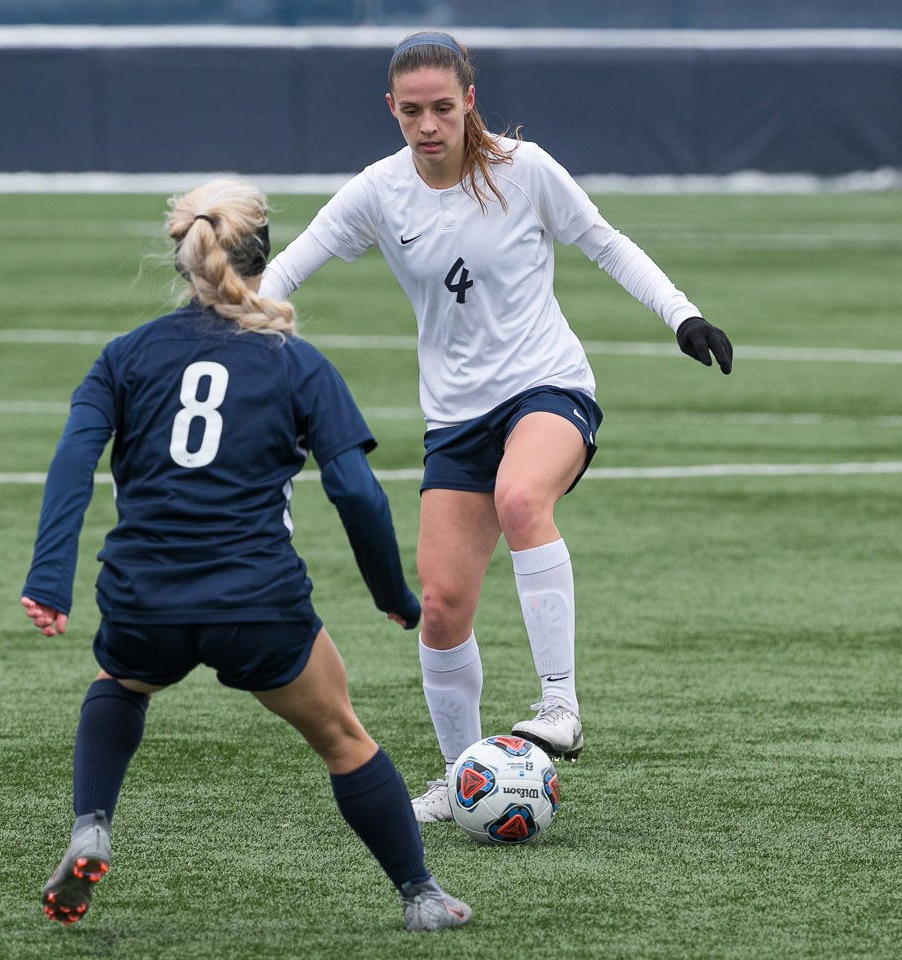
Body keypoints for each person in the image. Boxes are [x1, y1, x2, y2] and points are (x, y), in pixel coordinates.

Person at [259, 32, 733, 823]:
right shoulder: (379, 190)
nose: (427, 125)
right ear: (391, 109)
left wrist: (681, 316)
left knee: (521, 500)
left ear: (469, 100)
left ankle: (560, 707)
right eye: (410, 111)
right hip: (454, 420)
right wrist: (235, 327)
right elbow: (290, 266)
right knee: (441, 606)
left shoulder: (525, 170)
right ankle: (463, 776)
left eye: (442, 107)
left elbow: (604, 243)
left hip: (547, 388)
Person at [18, 179, 470, 932]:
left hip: (143, 595)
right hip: (256, 602)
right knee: (343, 738)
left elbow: (73, 459)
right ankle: (421, 894)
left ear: (182, 258)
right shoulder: (295, 362)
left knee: (121, 682)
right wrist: (393, 594)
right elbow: (355, 491)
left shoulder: (123, 356)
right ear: (264, 254)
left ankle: (92, 822)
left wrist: (49, 581)